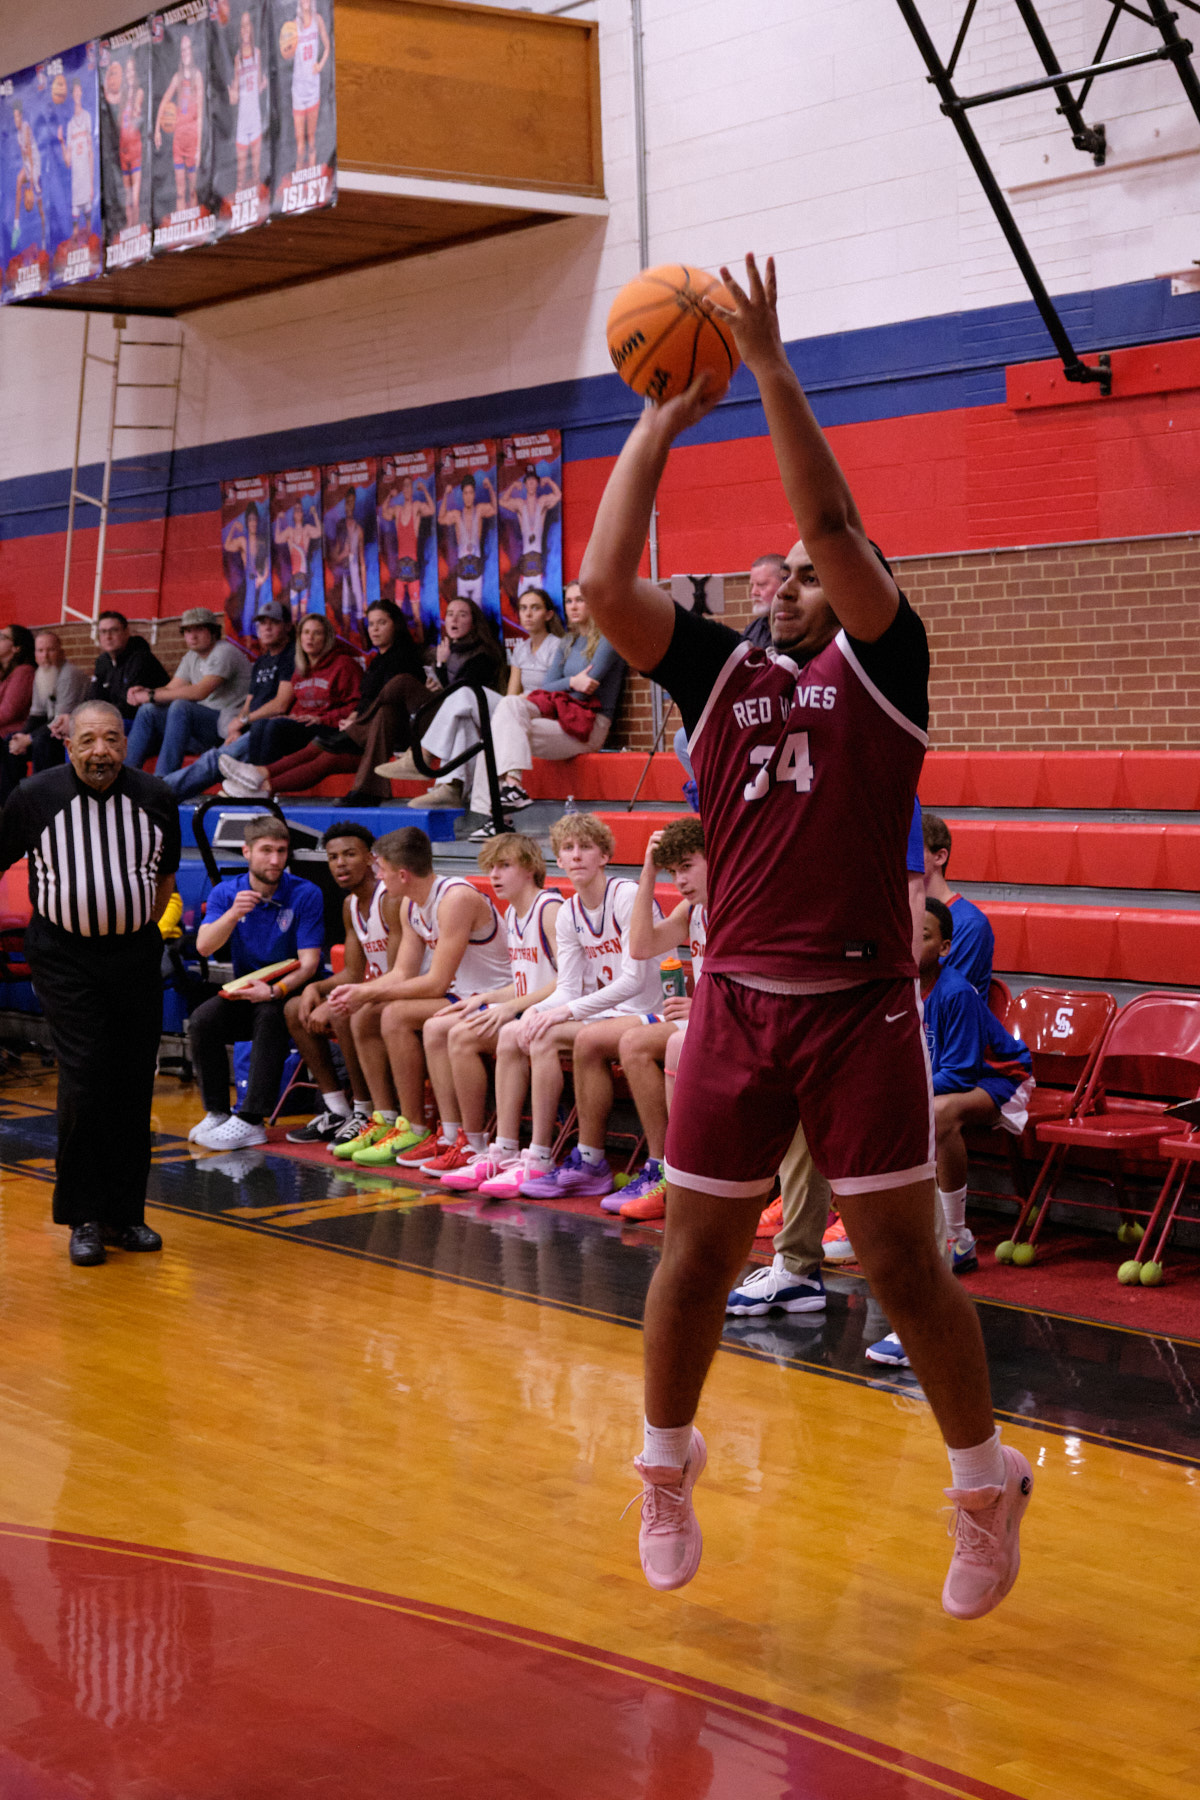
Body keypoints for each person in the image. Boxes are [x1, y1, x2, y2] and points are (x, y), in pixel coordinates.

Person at [579, 252, 1032, 1619]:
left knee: (896, 1262)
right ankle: (666, 1460)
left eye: (805, 574)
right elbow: (605, 586)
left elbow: (829, 515)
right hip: (733, 1003)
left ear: (855, 590)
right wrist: (662, 410)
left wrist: (767, 369)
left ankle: (983, 1481)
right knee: (696, 1257)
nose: (781, 577)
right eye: (769, 572)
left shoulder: (888, 667)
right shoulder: (721, 680)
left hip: (860, 1009)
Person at [0, 701, 180, 1266]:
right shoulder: (35, 797)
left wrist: (134, 929)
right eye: (87, 740)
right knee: (85, 1077)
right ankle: (82, 1215)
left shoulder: (156, 796)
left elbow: (164, 877)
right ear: (69, 743)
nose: (99, 750)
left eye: (110, 739)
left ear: (125, 743)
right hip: (63, 956)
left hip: (132, 954)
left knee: (131, 1080)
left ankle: (125, 1214)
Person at [867, 900, 1034, 1364]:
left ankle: (956, 1237)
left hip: (1001, 1078)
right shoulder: (894, 990)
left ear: (944, 947)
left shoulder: (955, 992)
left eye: (922, 935)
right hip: (946, 1081)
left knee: (938, 1114)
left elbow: (959, 1074)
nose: (910, 941)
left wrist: (898, 1090)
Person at [325, 827, 508, 1168]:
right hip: (460, 994)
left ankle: (430, 1129)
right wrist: (363, 993)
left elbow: (435, 983)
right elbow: (403, 974)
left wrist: (366, 991)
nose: (378, 876)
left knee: (393, 1015)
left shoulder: (455, 899)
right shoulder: (411, 902)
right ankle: (392, 1120)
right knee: (367, 1012)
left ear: (403, 874)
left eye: (382, 869)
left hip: (492, 995)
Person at [511, 812, 662, 1202]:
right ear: (558, 860)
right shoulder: (569, 912)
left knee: (585, 1036)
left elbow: (634, 980)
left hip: (650, 1009)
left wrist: (566, 1011)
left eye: (585, 847)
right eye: (567, 849)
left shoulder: (626, 895)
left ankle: (597, 1158)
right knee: (536, 1032)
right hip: (608, 1015)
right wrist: (537, 1011)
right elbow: (567, 987)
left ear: (604, 856)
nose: (576, 855)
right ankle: (541, 1156)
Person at [419, 832, 563, 1180]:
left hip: (557, 1011)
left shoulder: (550, 910)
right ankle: (459, 1136)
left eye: (505, 866)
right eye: (491, 867)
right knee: (438, 1025)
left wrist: (510, 1005)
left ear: (530, 868)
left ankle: (479, 1143)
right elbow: (528, 978)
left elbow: (567, 982)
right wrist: (486, 998)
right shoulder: (514, 914)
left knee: (462, 1037)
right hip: (528, 1008)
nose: (495, 875)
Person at [187, 816, 325, 1151]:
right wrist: (232, 915)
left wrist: (275, 990)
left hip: (292, 992)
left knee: (269, 1014)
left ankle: (251, 1120)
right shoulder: (226, 892)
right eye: (266, 851)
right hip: (247, 989)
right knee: (203, 1021)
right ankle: (218, 1111)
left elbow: (309, 964)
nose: (275, 860)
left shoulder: (306, 893)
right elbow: (204, 947)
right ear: (247, 852)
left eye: (281, 851)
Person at [604, 819, 709, 1223]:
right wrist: (647, 871)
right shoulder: (692, 908)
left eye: (686, 866)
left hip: (740, 1018)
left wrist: (701, 1006)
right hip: (710, 1018)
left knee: (675, 1044)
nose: (679, 880)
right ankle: (661, 1165)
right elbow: (641, 945)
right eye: (672, 872)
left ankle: (683, 1173)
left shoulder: (739, 904)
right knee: (632, 1043)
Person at [222, 600, 423, 804]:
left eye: (382, 623)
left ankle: (262, 787)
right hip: (358, 731)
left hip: (385, 735)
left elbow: (383, 704)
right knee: (302, 741)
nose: (375, 629)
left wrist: (340, 719)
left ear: (395, 625)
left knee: (320, 751)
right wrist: (353, 718)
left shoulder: (401, 659)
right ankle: (258, 776)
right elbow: (363, 703)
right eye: (371, 624)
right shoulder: (378, 660)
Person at [460, 583, 624, 829]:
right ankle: (504, 804)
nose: (574, 606)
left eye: (580, 600)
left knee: (500, 727)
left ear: (594, 603)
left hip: (589, 726)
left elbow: (585, 691)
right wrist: (571, 681)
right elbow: (544, 689)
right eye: (569, 601)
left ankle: (501, 807)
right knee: (507, 709)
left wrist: (567, 685)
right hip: (561, 720)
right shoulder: (568, 642)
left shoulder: (608, 640)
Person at [283, 823, 403, 1146]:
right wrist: (315, 989)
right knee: (295, 1007)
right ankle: (338, 1110)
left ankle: (364, 1111)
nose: (340, 863)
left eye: (350, 854)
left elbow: (397, 974)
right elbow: (353, 972)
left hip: (401, 992)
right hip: (375, 991)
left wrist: (336, 998)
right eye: (333, 856)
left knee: (341, 1010)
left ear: (371, 858)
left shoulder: (389, 900)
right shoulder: (351, 905)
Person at [674, 552, 789, 802]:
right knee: (683, 738)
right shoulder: (754, 628)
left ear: (785, 583)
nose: (754, 592)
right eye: (751, 586)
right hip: (747, 710)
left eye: (762, 585)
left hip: (781, 712)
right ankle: (720, 800)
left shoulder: (795, 624)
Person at [162, 600, 295, 801]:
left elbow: (281, 704)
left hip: (271, 731)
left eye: (274, 622)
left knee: (217, 758)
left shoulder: (292, 656)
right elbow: (250, 701)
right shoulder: (262, 661)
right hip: (251, 727)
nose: (266, 628)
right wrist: (236, 726)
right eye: (262, 623)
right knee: (217, 752)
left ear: (287, 626)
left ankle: (162, 791)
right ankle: (156, 785)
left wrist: (243, 721)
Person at [221, 611, 357, 773]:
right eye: (306, 632)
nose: (310, 638)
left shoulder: (343, 665)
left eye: (317, 633)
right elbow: (301, 702)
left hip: (329, 728)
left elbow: (357, 706)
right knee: (261, 723)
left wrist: (322, 719)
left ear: (327, 638)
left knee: (275, 726)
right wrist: (291, 715)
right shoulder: (300, 670)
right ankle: (252, 777)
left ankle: (261, 780)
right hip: (305, 725)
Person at [404, 599, 507, 808]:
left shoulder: (484, 653)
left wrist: (441, 667)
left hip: (487, 714)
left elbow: (464, 691)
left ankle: (423, 755)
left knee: (463, 701)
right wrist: (437, 677)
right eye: (450, 613)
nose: (454, 619)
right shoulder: (448, 650)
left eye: (462, 614)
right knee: (462, 723)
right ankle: (450, 787)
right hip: (464, 718)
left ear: (474, 622)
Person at [125, 607, 251, 776]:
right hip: (199, 729)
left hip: (225, 728)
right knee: (148, 710)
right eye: (187, 631)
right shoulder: (192, 656)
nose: (192, 636)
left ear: (213, 632)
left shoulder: (224, 652)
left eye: (199, 629)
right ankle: (125, 777)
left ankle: (163, 780)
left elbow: (200, 692)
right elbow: (171, 688)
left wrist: (151, 696)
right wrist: (148, 692)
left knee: (181, 706)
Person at [3, 630, 88, 799]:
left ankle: (43, 797)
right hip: (50, 729)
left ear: (62, 652)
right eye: (40, 651)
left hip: (71, 731)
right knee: (8, 743)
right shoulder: (41, 674)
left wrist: (29, 739)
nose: (45, 656)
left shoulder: (69, 674)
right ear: (35, 654)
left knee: (41, 742)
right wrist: (22, 736)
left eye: (51, 650)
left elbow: (60, 720)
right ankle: (13, 799)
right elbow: (37, 715)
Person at [923, 812, 995, 1000]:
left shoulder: (970, 924)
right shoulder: (896, 916)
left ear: (939, 857)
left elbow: (939, 998)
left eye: (911, 851)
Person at [85, 611, 168, 725]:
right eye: (103, 632)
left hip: (145, 722)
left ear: (126, 632)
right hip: (114, 720)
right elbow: (93, 698)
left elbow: (130, 706)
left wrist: (98, 717)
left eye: (114, 630)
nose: (108, 636)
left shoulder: (141, 658)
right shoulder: (102, 662)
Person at [155, 30, 205, 214]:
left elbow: (200, 115)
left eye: (187, 49)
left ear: (192, 52)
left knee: (192, 191)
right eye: (182, 50)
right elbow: (163, 102)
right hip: (178, 142)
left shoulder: (197, 76)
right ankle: (182, 228)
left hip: (192, 142)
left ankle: (194, 224)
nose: (184, 53)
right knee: (179, 192)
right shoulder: (177, 78)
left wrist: (199, 148)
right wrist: (156, 131)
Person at [378, 474, 434, 636]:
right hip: (401, 568)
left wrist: (424, 490)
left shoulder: (416, 506)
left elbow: (431, 509)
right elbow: (384, 513)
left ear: (412, 489)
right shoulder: (397, 510)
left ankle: (422, 645)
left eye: (410, 486)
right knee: (396, 614)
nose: (407, 489)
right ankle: (398, 646)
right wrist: (389, 496)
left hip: (413, 566)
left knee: (417, 615)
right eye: (405, 486)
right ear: (403, 490)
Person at [500, 466, 562, 595]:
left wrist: (550, 482)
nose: (531, 484)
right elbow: (502, 501)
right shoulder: (520, 504)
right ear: (525, 484)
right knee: (522, 598)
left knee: (540, 599)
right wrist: (512, 486)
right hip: (526, 562)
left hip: (539, 561)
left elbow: (558, 495)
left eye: (534, 481)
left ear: (537, 483)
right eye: (528, 481)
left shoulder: (542, 501)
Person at [439, 473, 496, 605]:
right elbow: (441, 518)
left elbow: (494, 509)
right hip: (462, 573)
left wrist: (490, 488)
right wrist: (446, 496)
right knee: (463, 607)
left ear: (474, 494)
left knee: (478, 609)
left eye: (471, 493)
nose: (468, 496)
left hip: (477, 571)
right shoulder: (457, 515)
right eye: (465, 493)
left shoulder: (480, 510)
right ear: (462, 495)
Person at [229, 7, 268, 193]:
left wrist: (263, 85)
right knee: (240, 177)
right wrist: (232, 95)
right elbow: (235, 93)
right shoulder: (238, 58)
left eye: (247, 25)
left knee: (256, 174)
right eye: (242, 26)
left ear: (251, 28)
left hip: (256, 120)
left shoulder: (257, 54)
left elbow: (258, 85)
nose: (245, 29)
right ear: (239, 30)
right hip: (242, 123)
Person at [289, 0, 330, 173]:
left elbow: (327, 46)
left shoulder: (318, 20)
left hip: (313, 88)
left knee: (311, 140)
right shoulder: (292, 25)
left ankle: (311, 175)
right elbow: (286, 54)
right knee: (300, 145)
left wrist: (320, 64)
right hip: (298, 89)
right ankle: (299, 177)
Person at [0, 626, 39, 794]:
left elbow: (9, 711)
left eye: (2, 637)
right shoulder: (6, 674)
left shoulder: (24, 672)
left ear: (16, 648)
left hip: (14, 734)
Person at [328, 487, 368, 633]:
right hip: (343, 578)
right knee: (345, 625)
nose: (349, 506)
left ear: (354, 504)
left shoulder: (359, 529)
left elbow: (362, 563)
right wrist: (343, 554)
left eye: (351, 502)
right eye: (347, 502)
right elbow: (334, 559)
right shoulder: (340, 527)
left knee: (361, 626)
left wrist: (365, 598)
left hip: (356, 577)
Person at [60, 81, 95, 237]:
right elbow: (67, 162)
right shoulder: (70, 125)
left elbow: (90, 153)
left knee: (89, 229)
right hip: (76, 184)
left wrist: (92, 184)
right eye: (74, 91)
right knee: (75, 231)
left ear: (81, 93)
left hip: (86, 180)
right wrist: (61, 141)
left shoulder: (87, 117)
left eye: (79, 91)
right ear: (72, 95)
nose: (77, 94)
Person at [273, 500, 321, 611]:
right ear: (294, 514)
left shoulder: (307, 529)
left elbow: (319, 532)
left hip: (304, 576)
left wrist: (314, 514)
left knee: (303, 611)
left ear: (302, 514)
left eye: (300, 510)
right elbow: (277, 539)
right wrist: (279, 521)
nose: (298, 513)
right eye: (296, 510)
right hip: (294, 577)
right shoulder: (290, 531)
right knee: (294, 614)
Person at [11, 103, 45, 251]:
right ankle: (16, 225)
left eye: (17, 117)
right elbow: (23, 155)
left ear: (21, 117)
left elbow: (30, 154)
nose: (16, 120)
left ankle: (44, 237)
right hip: (28, 165)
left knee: (40, 206)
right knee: (18, 180)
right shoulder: (18, 134)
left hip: (35, 165)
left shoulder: (25, 128)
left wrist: (31, 182)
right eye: (14, 118)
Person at [118, 56, 145, 228]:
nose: (129, 74)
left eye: (131, 70)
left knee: (134, 198)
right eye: (126, 71)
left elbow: (138, 106)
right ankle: (129, 227)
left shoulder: (139, 92)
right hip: (123, 150)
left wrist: (136, 109)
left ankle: (136, 227)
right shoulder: (122, 96)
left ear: (135, 73)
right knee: (127, 198)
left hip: (135, 148)